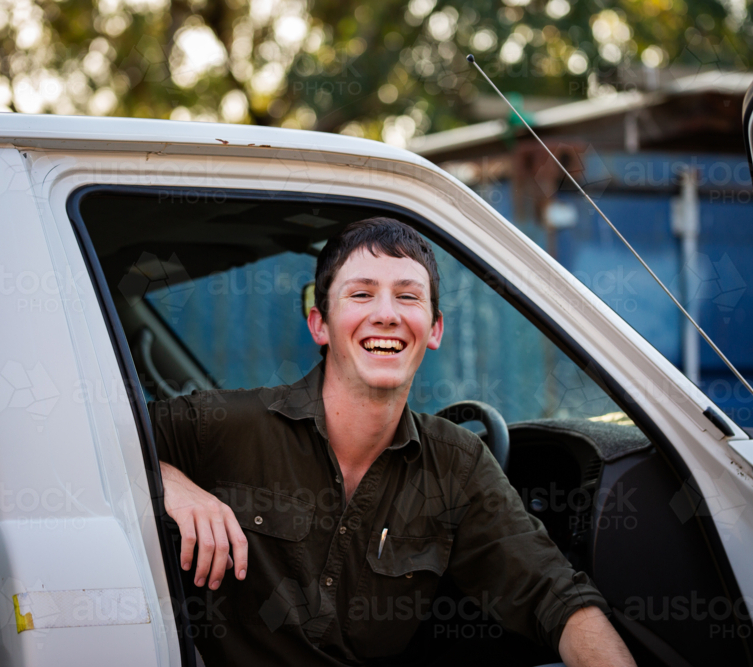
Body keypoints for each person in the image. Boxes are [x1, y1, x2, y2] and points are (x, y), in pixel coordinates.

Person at [149, 217, 636, 666]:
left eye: (408, 296)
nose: (386, 314)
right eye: (361, 294)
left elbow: (555, 597)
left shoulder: (457, 464)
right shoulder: (228, 424)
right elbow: (89, 442)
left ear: (434, 330)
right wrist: (166, 478)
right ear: (319, 323)